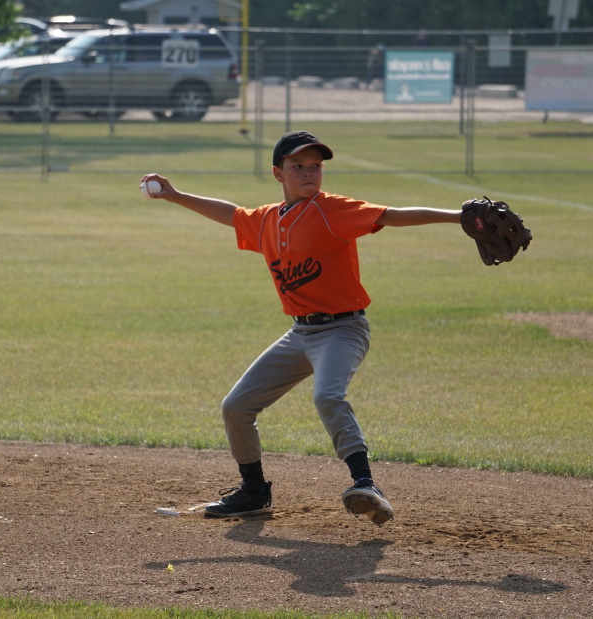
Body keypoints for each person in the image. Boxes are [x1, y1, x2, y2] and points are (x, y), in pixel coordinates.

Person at [139, 131, 465, 524]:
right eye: (298, 167)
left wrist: (458, 217)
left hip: (343, 330)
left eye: (316, 166)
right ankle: (254, 493)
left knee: (327, 396)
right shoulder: (266, 221)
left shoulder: (331, 210)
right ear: (279, 174)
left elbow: (391, 215)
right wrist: (175, 195)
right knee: (236, 407)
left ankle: (365, 483)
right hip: (300, 334)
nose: (310, 174)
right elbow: (231, 214)